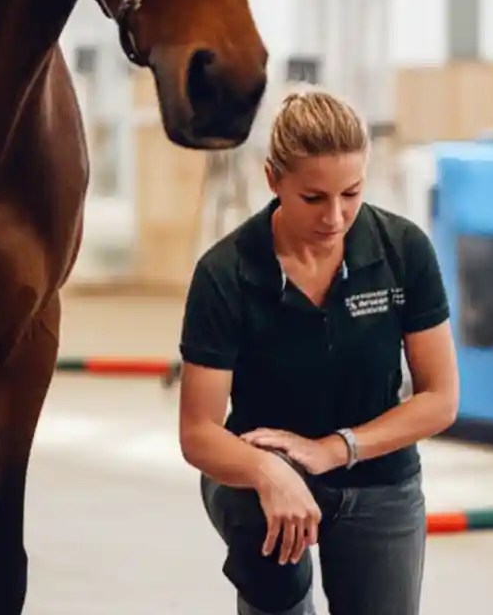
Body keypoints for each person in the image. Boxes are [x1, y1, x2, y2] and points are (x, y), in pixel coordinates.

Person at [177, 88, 460, 615]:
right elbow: (198, 432)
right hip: (259, 477)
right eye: (314, 198)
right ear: (273, 180)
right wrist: (269, 472)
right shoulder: (225, 274)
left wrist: (335, 448)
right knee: (265, 548)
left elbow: (441, 399)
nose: (335, 216)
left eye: (351, 193)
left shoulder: (403, 251)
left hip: (378, 476)